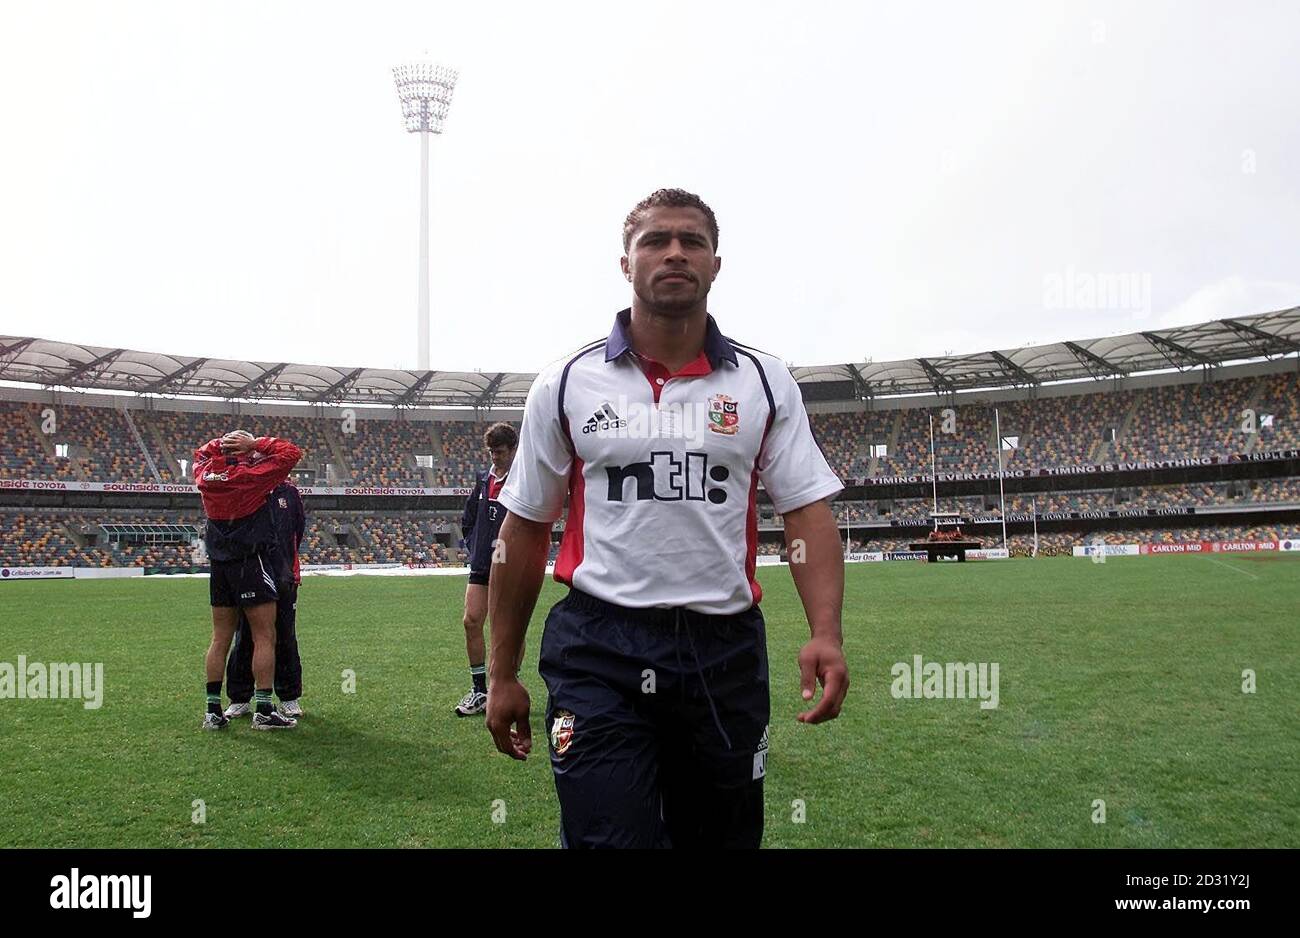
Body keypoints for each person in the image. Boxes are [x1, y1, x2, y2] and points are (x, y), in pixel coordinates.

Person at [485, 188, 849, 848]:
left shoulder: (764, 381)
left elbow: (805, 511)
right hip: (599, 647)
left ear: (716, 264)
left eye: (692, 241)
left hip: (723, 650)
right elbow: (526, 528)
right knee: (607, 838)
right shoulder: (565, 383)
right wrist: (502, 672)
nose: (675, 252)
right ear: (626, 263)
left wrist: (826, 632)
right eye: (655, 240)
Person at [195, 429, 302, 731]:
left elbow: (200, 453)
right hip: (251, 561)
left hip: (220, 565)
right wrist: (255, 444)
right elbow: (291, 453)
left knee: (220, 639)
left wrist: (221, 444)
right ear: (246, 454)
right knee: (264, 636)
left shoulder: (204, 475)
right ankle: (264, 710)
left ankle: (212, 712)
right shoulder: (252, 477)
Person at [223, 480, 306, 719]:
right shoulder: (246, 487)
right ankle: (240, 698)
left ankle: (289, 697)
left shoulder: (289, 492)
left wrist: (286, 565)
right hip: (250, 575)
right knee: (245, 636)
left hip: (284, 577)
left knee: (286, 636)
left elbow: (297, 530)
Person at [453, 422, 518, 716]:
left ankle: (506, 687)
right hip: (482, 563)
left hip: (510, 565)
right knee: (471, 620)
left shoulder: (522, 480)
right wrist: (475, 546)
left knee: (508, 630)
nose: (495, 457)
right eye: (491, 451)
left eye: (500, 451)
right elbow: (468, 519)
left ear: (513, 450)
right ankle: (479, 690)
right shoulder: (483, 479)